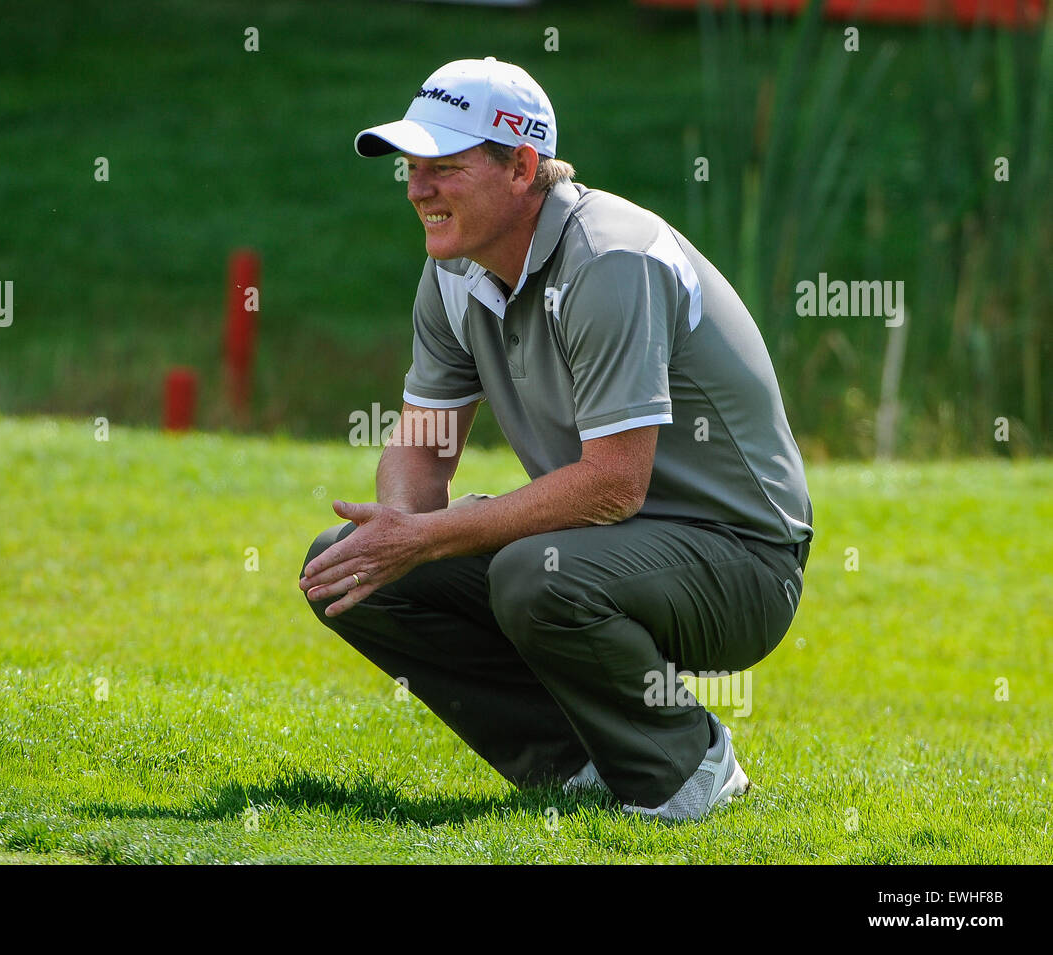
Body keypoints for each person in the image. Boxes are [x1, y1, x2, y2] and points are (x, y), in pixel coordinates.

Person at [299, 57, 813, 821]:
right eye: (411, 167)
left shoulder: (611, 260)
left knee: (533, 575)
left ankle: (687, 771)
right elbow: (423, 442)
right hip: (605, 544)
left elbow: (613, 484)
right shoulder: (454, 271)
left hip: (743, 561)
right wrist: (397, 535)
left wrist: (430, 535)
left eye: (443, 166)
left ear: (523, 168)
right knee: (343, 567)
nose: (417, 188)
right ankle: (575, 767)